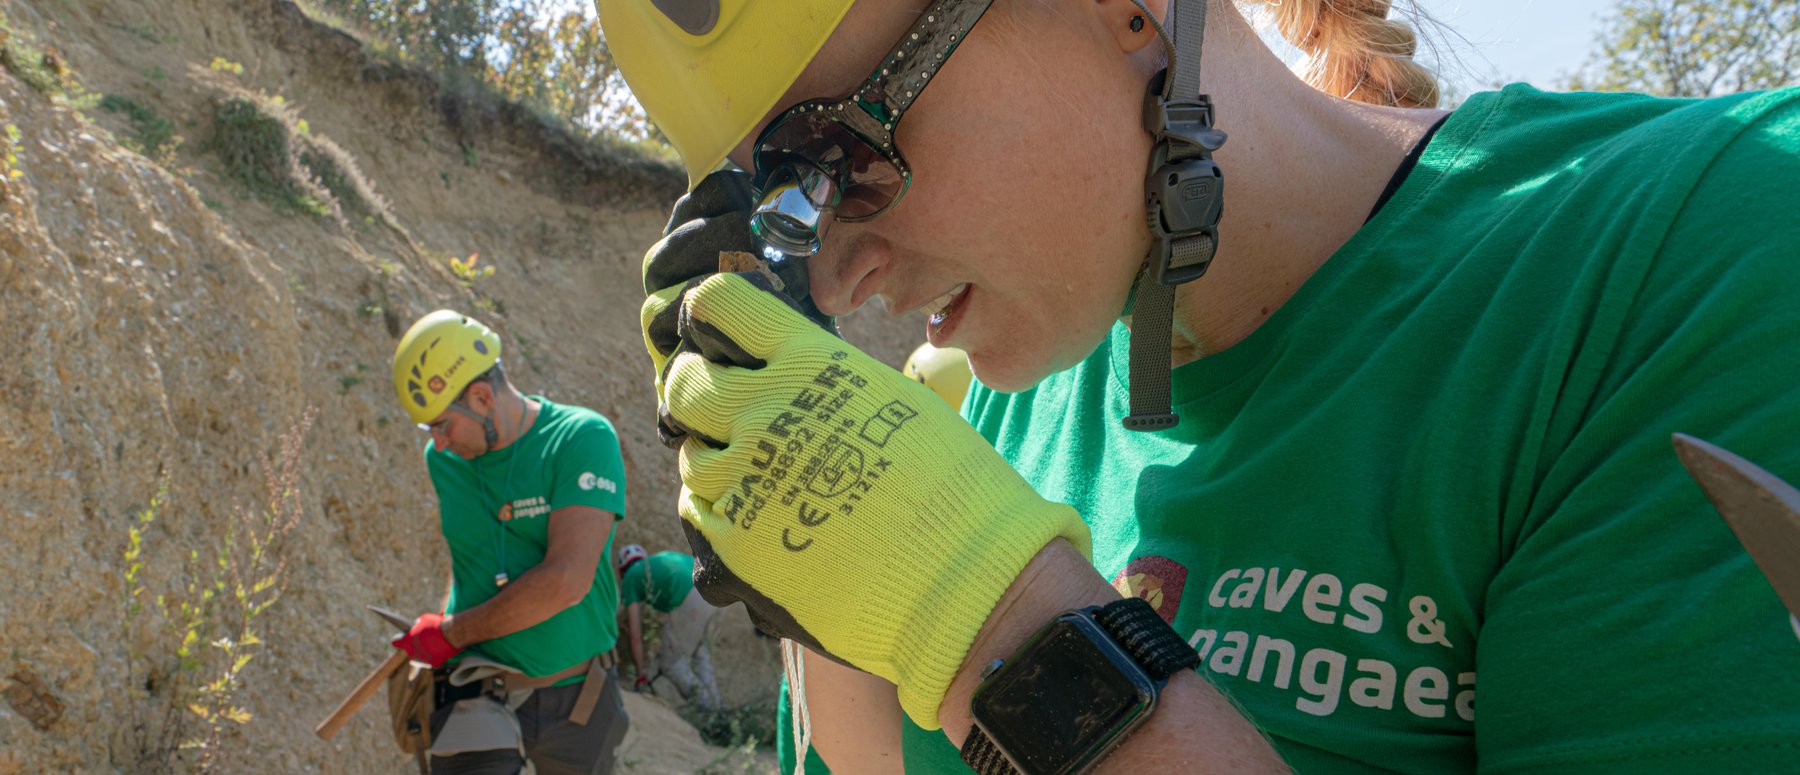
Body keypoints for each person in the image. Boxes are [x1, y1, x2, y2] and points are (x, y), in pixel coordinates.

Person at [605, 0, 1800, 772]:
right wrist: (825, 612)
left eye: (837, 155)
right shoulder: (971, 426)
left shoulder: (1701, 250)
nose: (838, 268)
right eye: (778, 204)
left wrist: (1000, 622)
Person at [389, 310, 631, 774]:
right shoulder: (446, 461)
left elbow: (566, 581)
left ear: (481, 397)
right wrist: (440, 631)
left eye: (442, 425)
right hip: (475, 691)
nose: (437, 443)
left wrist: (451, 633)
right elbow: (470, 556)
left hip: (574, 699)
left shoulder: (580, 439)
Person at [614, 543, 726, 708]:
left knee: (671, 666)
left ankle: (707, 706)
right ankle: (717, 707)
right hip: (716, 591)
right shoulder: (658, 560)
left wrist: (641, 674)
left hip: (692, 597)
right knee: (699, 654)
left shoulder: (631, 577)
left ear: (621, 571)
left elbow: (635, 635)